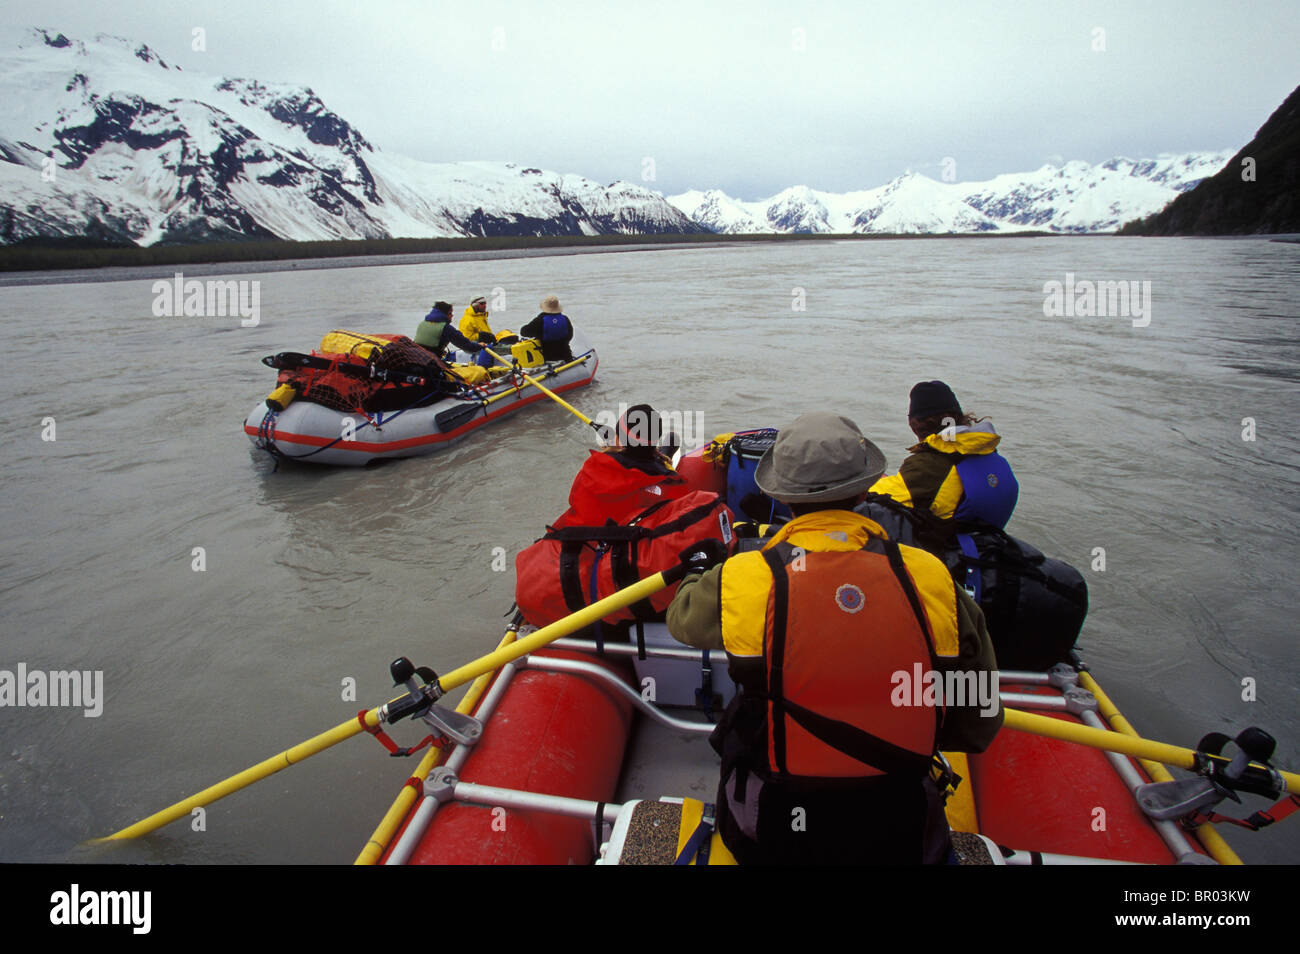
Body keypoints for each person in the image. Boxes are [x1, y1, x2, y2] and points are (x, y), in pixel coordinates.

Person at [666, 412, 1002, 865]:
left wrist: (699, 574)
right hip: (898, 824)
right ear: (866, 489)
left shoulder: (745, 577)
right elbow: (979, 719)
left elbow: (681, 619)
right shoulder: (930, 577)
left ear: (778, 495)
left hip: (774, 829)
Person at [869, 380, 1018, 529]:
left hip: (948, 546)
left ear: (915, 425)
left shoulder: (931, 464)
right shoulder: (986, 450)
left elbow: (866, 497)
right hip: (987, 541)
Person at [554, 404, 689, 528]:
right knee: (673, 438)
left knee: (671, 440)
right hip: (626, 543)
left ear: (619, 438)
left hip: (582, 541)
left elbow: (573, 499)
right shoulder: (673, 485)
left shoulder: (591, 466)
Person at [414, 300, 485, 359]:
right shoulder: (445, 328)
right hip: (430, 360)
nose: (452, 315)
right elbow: (466, 345)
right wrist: (480, 346)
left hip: (416, 355)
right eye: (451, 313)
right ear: (446, 314)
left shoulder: (423, 323)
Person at [519, 295, 574, 362]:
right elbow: (570, 336)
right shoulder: (565, 318)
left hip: (547, 357)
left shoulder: (540, 320)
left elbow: (523, 331)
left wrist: (537, 334)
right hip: (566, 356)